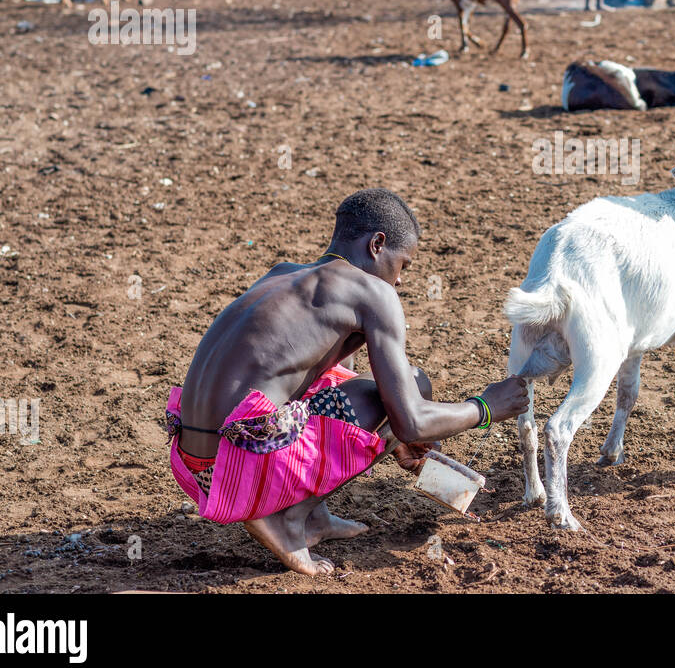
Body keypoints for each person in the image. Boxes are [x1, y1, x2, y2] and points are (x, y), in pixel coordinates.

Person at [166, 188, 529, 575]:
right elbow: (410, 421)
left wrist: (396, 435)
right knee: (404, 393)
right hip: (243, 469)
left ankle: (314, 517)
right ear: (377, 245)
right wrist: (486, 407)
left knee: (387, 385)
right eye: (403, 264)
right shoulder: (372, 292)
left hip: (197, 466)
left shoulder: (284, 273)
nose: (401, 280)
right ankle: (286, 520)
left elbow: (334, 385)